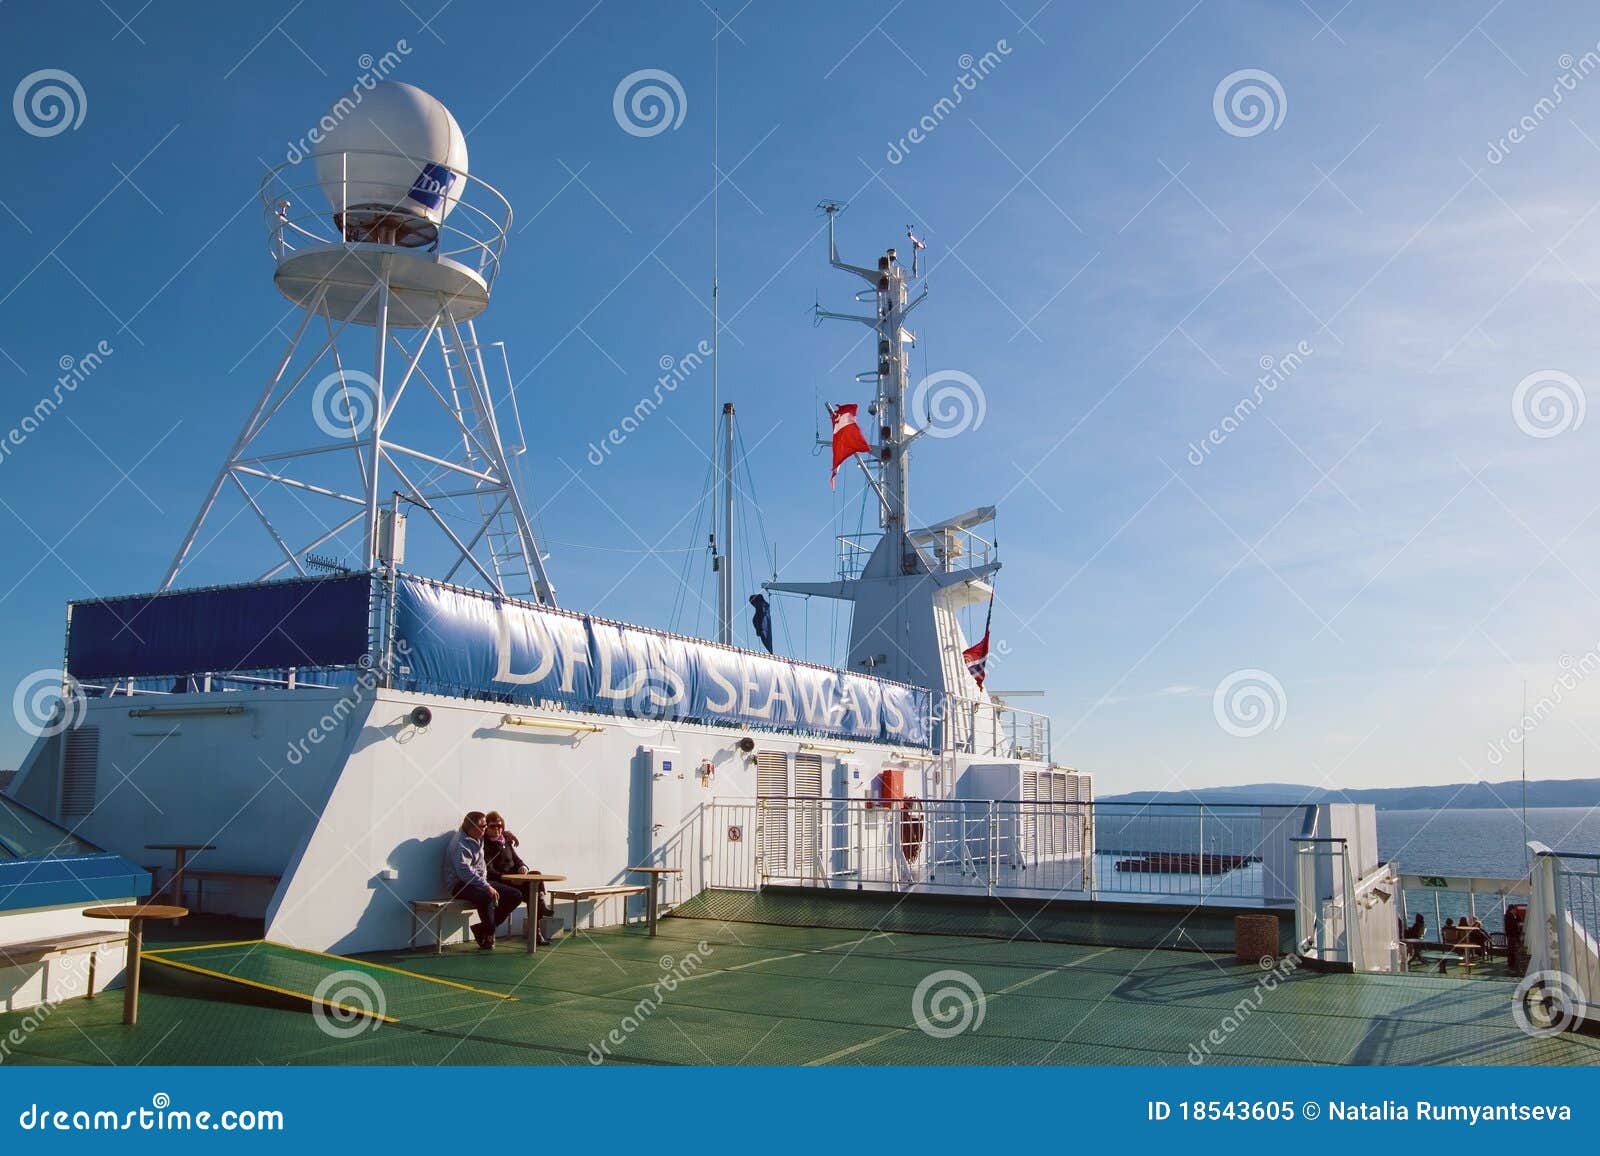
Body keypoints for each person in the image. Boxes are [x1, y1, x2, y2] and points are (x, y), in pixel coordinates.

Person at [441, 810, 523, 950]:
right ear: (472, 827)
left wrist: (506, 834)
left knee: (515, 895)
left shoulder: (477, 835)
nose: (486, 829)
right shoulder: (460, 845)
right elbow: (465, 873)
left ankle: (483, 929)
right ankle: (489, 933)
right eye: (483, 826)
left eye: (486, 826)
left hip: (478, 881)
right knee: (487, 896)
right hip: (459, 884)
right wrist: (486, 886)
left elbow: (495, 833)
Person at [484, 811, 553, 946]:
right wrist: (510, 879)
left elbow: (517, 860)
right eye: (493, 826)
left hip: (515, 879)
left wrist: (523, 868)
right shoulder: (484, 845)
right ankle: (537, 925)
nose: (497, 829)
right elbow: (489, 871)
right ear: (486, 827)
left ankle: (537, 925)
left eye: (500, 826)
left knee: (535, 876)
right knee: (531, 894)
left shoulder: (506, 841)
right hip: (499, 881)